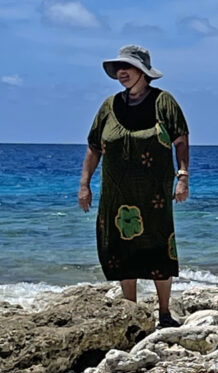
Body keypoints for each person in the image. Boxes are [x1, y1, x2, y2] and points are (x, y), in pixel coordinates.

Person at [78, 45, 189, 327]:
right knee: (121, 251)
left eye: (127, 67)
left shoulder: (164, 103)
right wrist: (84, 185)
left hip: (154, 196)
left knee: (158, 247)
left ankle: (164, 314)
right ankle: (131, 313)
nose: (121, 73)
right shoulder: (109, 106)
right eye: (118, 69)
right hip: (116, 194)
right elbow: (94, 148)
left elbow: (180, 140)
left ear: (143, 72)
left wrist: (182, 177)